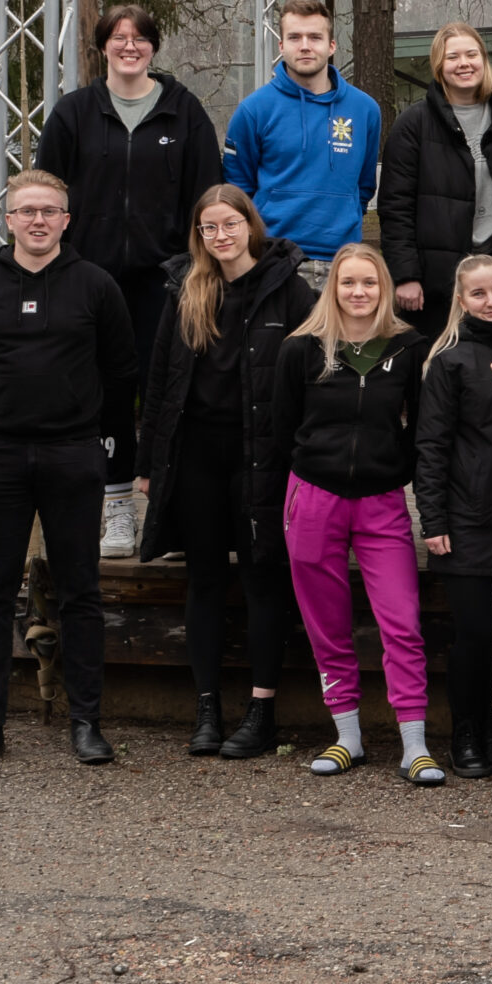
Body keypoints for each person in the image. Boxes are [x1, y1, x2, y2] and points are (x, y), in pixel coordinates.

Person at [0, 168, 136, 769]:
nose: (39, 221)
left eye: (50, 211)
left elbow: (121, 370)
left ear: (66, 220)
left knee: (82, 592)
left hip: (73, 454)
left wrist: (88, 429)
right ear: (8, 219)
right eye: (27, 211)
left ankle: (85, 723)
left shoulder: (96, 286)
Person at [133, 184, 315, 761]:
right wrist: (147, 465)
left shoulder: (290, 288)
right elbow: (160, 381)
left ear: (249, 224)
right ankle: (207, 707)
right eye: (209, 227)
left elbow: (312, 377)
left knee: (264, 579)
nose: (220, 236)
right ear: (200, 235)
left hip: (263, 457)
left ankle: (261, 710)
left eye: (229, 224)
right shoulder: (184, 288)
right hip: (195, 458)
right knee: (205, 580)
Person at [36, 2, 224, 557]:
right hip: (90, 283)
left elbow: (207, 198)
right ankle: (117, 510)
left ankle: (170, 513)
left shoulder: (183, 112)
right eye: (118, 37)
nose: (129, 46)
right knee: (109, 394)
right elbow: (47, 194)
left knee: (173, 395)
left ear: (152, 47)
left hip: (168, 284)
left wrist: (197, 272)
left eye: (139, 37)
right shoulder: (74, 113)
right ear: (102, 47)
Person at [267, 243, 443, 785]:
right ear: (333, 287)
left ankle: (414, 744)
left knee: (401, 622)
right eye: (348, 283)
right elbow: (281, 432)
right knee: (327, 625)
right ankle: (348, 736)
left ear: (384, 288)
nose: (359, 292)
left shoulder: (409, 347)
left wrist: (397, 469)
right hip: (313, 498)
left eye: (369, 282)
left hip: (382, 500)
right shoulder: (301, 348)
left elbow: (423, 427)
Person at [413, 255, 492, 781]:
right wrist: (433, 519)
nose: (491, 301)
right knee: (474, 635)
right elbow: (432, 445)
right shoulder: (450, 362)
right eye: (478, 294)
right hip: (467, 519)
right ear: (462, 301)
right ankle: (466, 732)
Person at [222, 0, 382, 279]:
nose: (305, 45)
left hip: (343, 262)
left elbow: (364, 187)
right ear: (281, 46)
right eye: (295, 37)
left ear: (331, 46)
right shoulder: (253, 110)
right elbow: (237, 193)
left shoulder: (365, 110)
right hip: (273, 260)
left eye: (315, 37)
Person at [380, 23, 492, 337]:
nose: (464, 63)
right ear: (439, 65)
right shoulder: (413, 124)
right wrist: (405, 276)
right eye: (453, 57)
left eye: (471, 54)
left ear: (484, 59)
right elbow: (395, 207)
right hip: (435, 283)